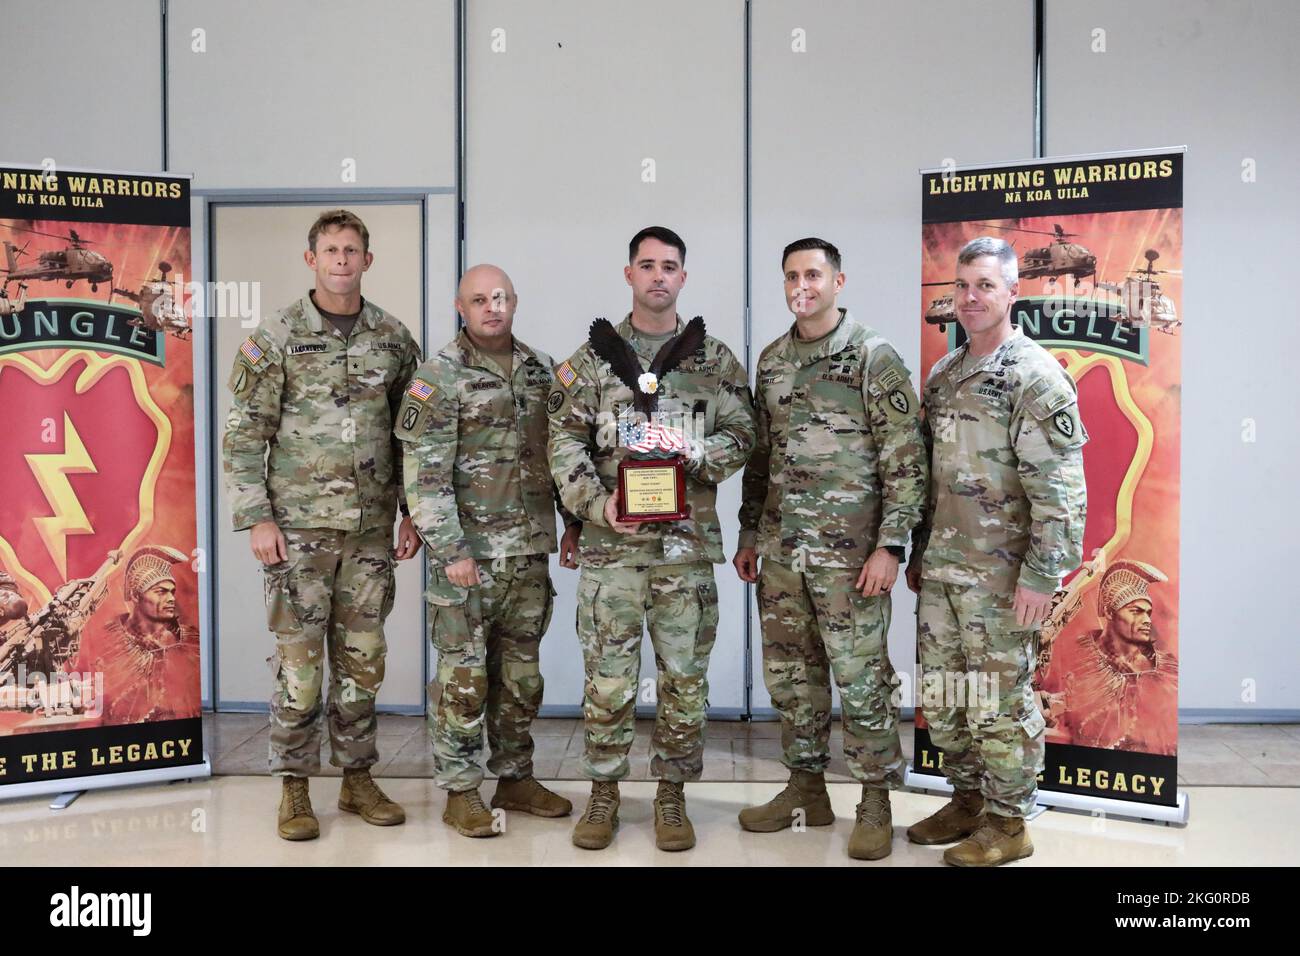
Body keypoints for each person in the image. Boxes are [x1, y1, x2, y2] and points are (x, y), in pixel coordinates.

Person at [548, 226, 755, 851]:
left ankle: (671, 795)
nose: (658, 276)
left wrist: (696, 451)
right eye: (647, 265)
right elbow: (561, 442)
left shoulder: (713, 360)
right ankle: (605, 793)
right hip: (613, 552)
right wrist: (595, 505)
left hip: (685, 554)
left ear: (683, 278)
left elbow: (745, 434)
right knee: (608, 681)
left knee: (684, 680)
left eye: (670, 267)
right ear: (629, 274)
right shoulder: (590, 360)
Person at [222, 209, 422, 842]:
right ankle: (294, 786)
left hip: (368, 533)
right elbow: (244, 432)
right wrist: (255, 516)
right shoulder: (276, 336)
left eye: (352, 250)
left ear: (368, 259)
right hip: (297, 531)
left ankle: (358, 779)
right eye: (331, 250)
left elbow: (414, 436)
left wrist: (414, 513)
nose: (342, 260)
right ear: (311, 259)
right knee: (301, 664)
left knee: (364, 660)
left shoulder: (393, 338)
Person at [734, 238, 926, 860]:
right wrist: (748, 532)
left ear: (838, 282)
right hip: (784, 554)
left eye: (813, 275)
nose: (801, 286)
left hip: (853, 559)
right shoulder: (771, 361)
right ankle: (806, 788)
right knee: (793, 678)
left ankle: (874, 800)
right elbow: (760, 459)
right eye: (791, 276)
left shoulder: (873, 357)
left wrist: (892, 545)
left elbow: (906, 460)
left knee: (862, 678)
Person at [906, 236, 1087, 866]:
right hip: (943, 572)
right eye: (962, 286)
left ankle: (1011, 822)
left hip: (1004, 578)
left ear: (1013, 293)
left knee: (999, 700)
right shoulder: (945, 373)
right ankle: (968, 800)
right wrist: (919, 553)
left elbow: (1061, 490)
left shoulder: (1033, 375)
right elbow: (932, 477)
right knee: (948, 692)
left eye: (985, 285)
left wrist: (1043, 574)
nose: (971, 297)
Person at [395, 263, 580, 837]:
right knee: (464, 680)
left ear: (515, 301)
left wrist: (573, 523)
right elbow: (423, 478)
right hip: (466, 560)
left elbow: (565, 456)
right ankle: (459, 789)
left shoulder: (543, 371)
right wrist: (451, 550)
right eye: (479, 299)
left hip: (527, 555)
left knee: (521, 679)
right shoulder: (437, 376)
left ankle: (515, 776)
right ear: (461, 306)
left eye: (500, 297)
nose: (491, 307)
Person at [1048, 559, 1177, 754]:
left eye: (1148, 613)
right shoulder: (1074, 657)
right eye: (1136, 611)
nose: (1146, 620)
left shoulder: (1168, 669)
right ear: (1109, 611)